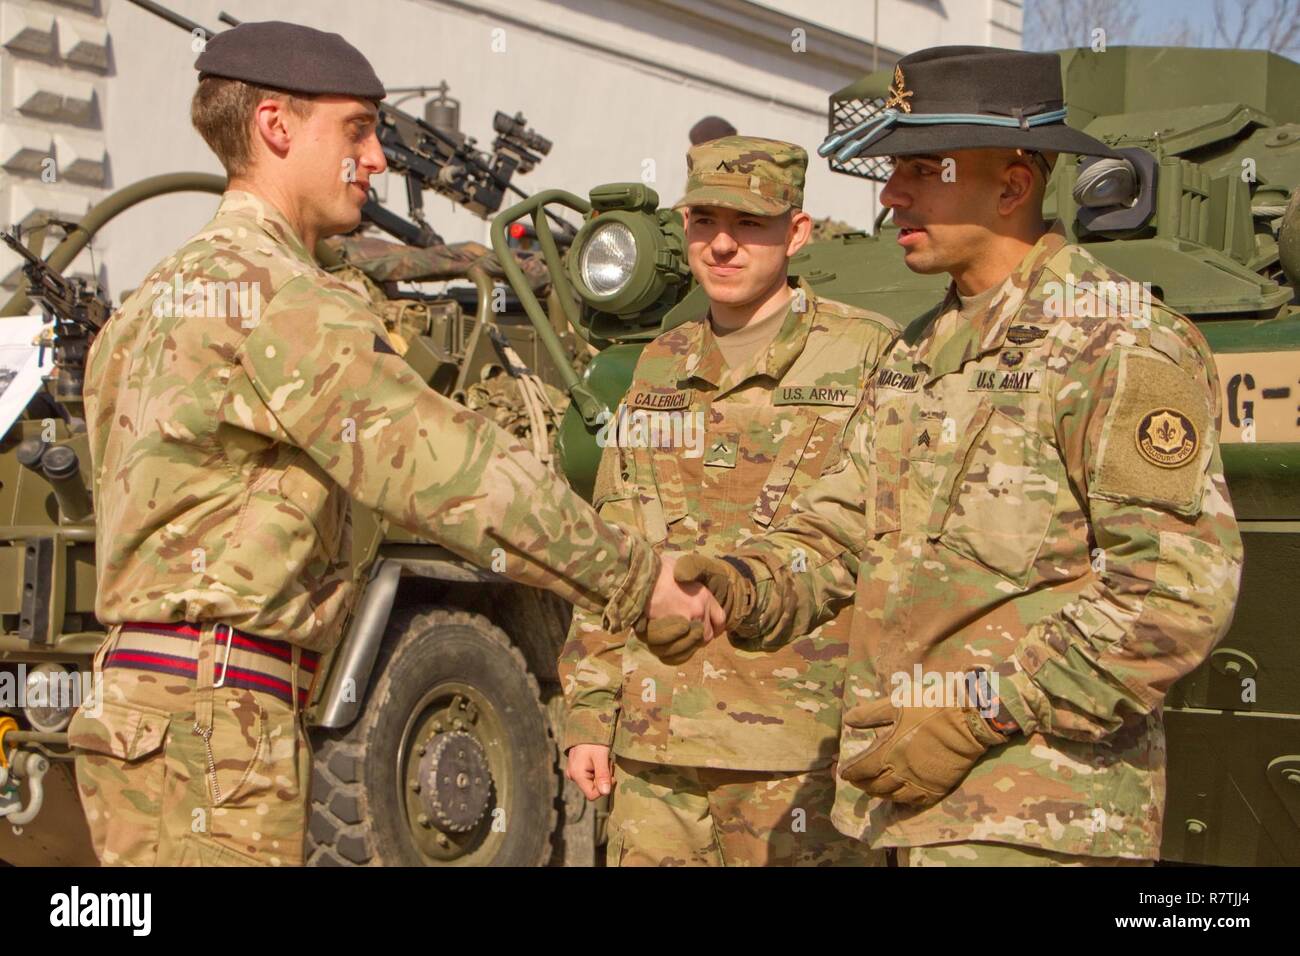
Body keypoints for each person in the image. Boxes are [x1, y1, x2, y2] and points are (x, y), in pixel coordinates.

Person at [70, 20, 715, 867]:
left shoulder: (144, 305)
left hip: (139, 709)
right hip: (216, 719)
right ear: (275, 125)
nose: (377, 159)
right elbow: (451, 473)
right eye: (356, 130)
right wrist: (639, 581)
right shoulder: (283, 299)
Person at [668, 46, 1243, 866]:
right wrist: (734, 586)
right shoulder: (918, 351)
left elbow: (1175, 594)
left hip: (1039, 824)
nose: (890, 193)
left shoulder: (1117, 342)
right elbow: (838, 531)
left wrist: (982, 712)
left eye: (921, 169)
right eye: (892, 169)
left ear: (1013, 185)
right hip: (905, 817)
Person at [561, 136, 897, 866]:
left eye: (749, 224)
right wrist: (589, 710)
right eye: (706, 221)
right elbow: (614, 541)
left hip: (799, 753)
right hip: (656, 752)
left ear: (797, 233)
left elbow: (882, 543)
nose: (723, 245)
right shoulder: (659, 361)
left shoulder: (868, 352)